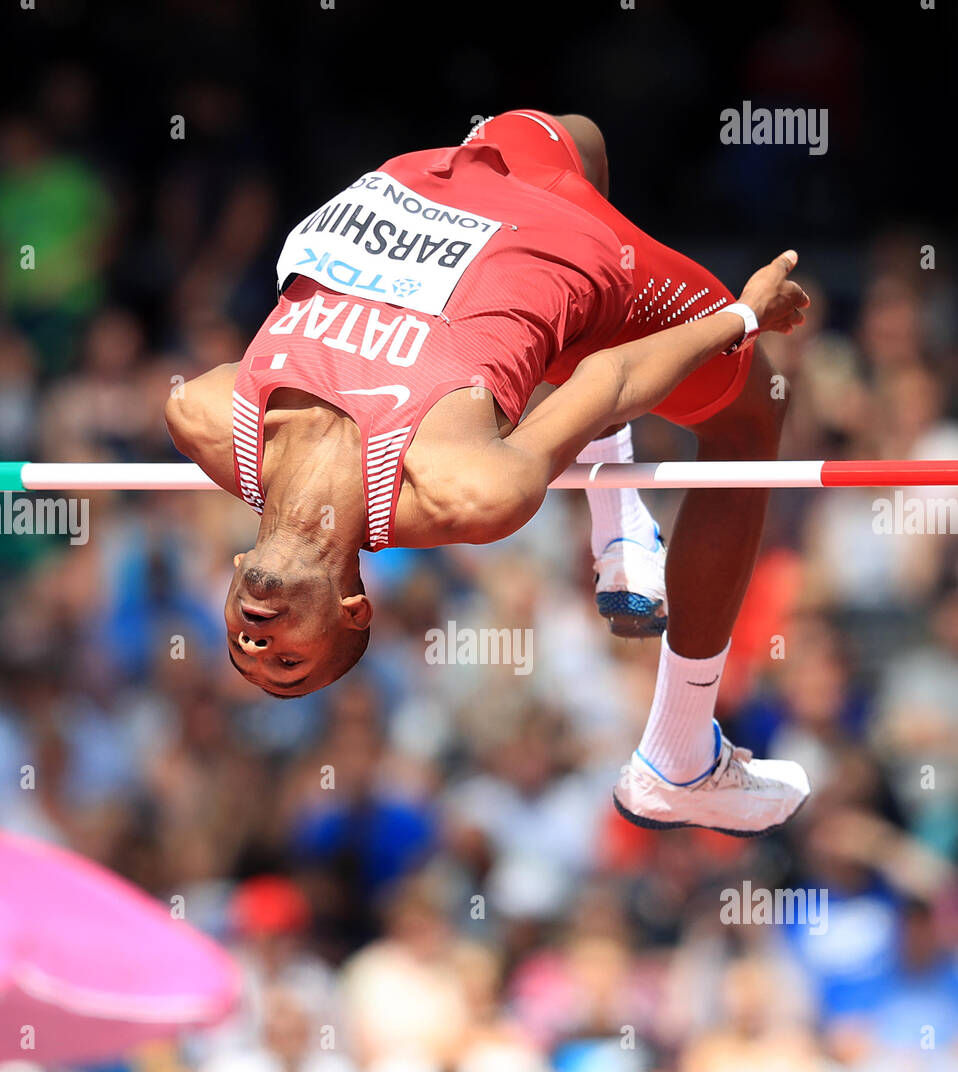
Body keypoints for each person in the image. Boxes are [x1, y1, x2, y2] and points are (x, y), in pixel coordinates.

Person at [166, 109, 810, 836]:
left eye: (242, 651)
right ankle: (680, 755)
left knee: (582, 138)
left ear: (237, 563)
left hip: (424, 189)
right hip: (570, 250)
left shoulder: (206, 420)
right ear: (354, 607)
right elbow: (611, 378)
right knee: (753, 410)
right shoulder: (465, 491)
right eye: (287, 665)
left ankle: (619, 520)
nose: (257, 645)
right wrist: (743, 317)